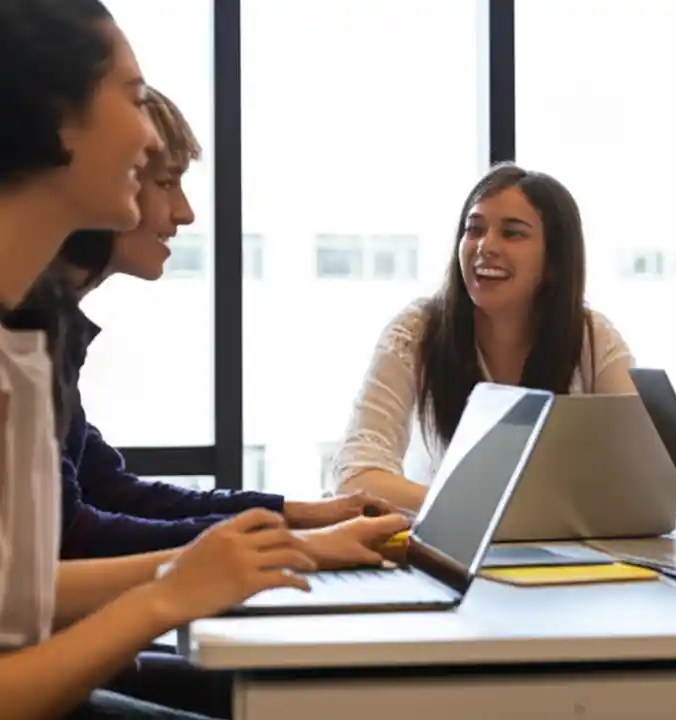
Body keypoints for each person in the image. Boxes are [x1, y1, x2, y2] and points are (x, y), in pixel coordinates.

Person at [0, 4, 403, 717]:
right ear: (57, 119)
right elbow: (68, 550)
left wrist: (272, 538)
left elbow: (25, 589)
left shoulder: (30, 337)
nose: (149, 133)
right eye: (132, 97)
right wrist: (177, 587)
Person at [53, 88, 398, 561]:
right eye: (165, 183)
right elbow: (73, 537)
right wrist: (291, 544)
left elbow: (110, 491)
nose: (186, 213)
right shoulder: (24, 334)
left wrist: (296, 514)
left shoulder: (55, 331)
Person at [335, 163, 676, 515]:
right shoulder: (416, 332)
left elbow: (661, 485)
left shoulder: (591, 337)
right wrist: (478, 511)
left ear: (554, 261)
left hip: (563, 564)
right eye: (474, 229)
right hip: (442, 557)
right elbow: (357, 476)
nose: (485, 246)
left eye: (512, 233)